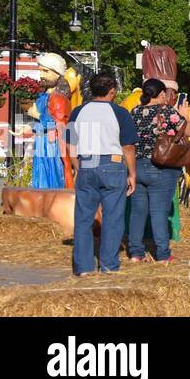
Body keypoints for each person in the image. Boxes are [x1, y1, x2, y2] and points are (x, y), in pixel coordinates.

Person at [66, 72, 137, 276]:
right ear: (112, 91)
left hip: (86, 164)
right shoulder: (120, 113)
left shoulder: (78, 112)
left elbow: (70, 144)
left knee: (83, 219)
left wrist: (78, 167)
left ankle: (84, 268)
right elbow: (129, 147)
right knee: (113, 219)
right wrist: (132, 173)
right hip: (112, 165)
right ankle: (108, 266)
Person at [128, 79, 190, 264]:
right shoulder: (166, 112)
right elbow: (189, 132)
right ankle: (163, 254)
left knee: (137, 212)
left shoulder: (134, 112)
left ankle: (135, 253)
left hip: (137, 166)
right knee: (159, 211)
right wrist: (185, 115)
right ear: (160, 95)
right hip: (161, 167)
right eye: (165, 94)